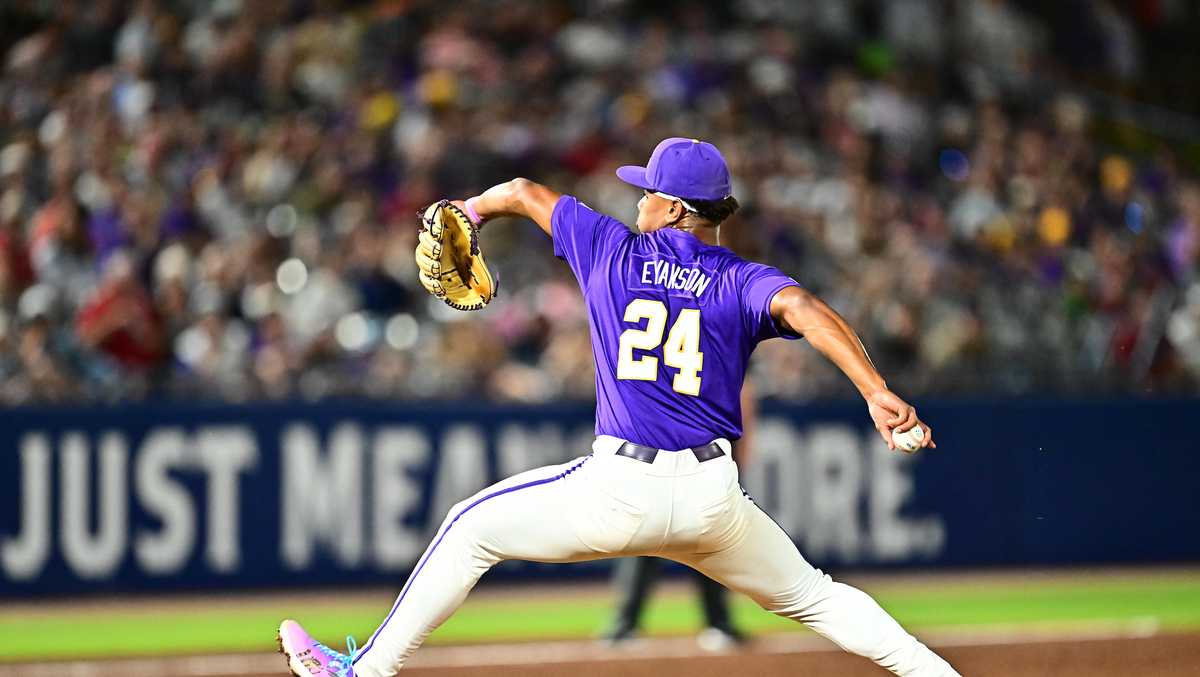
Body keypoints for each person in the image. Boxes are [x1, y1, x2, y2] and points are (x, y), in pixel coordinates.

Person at [278, 137, 959, 677]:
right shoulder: (744, 280)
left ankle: (364, 672)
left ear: (672, 207)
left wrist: (472, 211)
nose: (635, 200)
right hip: (710, 497)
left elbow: (521, 191)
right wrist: (874, 389)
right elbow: (805, 309)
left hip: (619, 490)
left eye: (645, 192)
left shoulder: (611, 251)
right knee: (815, 595)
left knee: (467, 527)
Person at [603, 382, 757, 651]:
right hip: (705, 457)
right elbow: (744, 394)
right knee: (700, 545)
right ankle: (716, 624)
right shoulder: (718, 348)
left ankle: (625, 626)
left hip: (667, 455)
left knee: (655, 543)